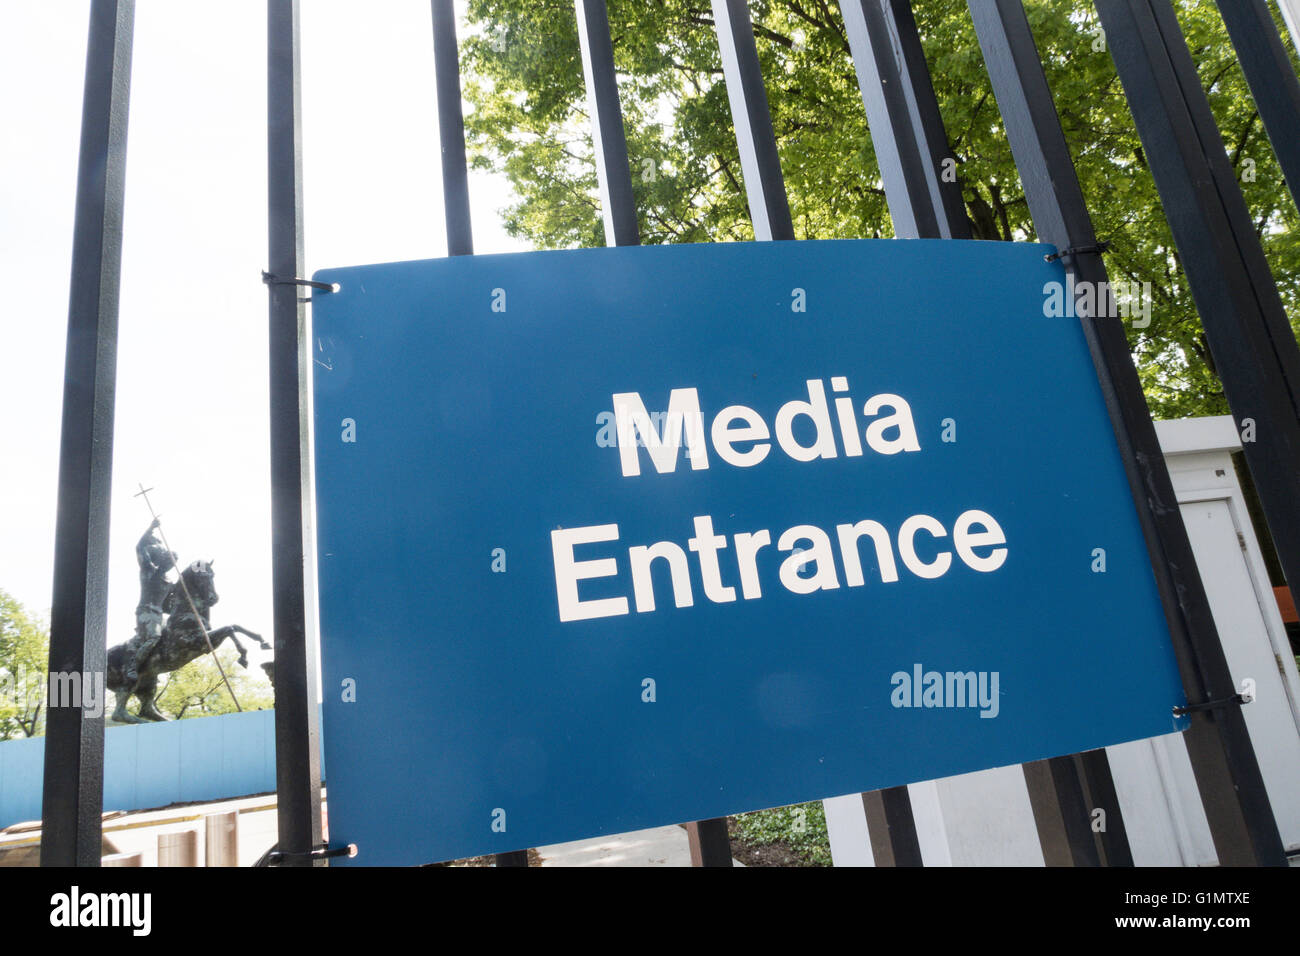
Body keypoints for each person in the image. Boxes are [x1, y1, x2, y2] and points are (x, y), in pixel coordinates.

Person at [122, 519, 176, 689]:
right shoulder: (148, 570)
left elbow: (169, 606)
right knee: (154, 637)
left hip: (159, 614)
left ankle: (151, 665)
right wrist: (150, 529)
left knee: (169, 639)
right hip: (146, 611)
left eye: (173, 562)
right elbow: (139, 547)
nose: (171, 564)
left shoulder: (169, 581)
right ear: (162, 559)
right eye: (169, 560)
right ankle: (132, 666)